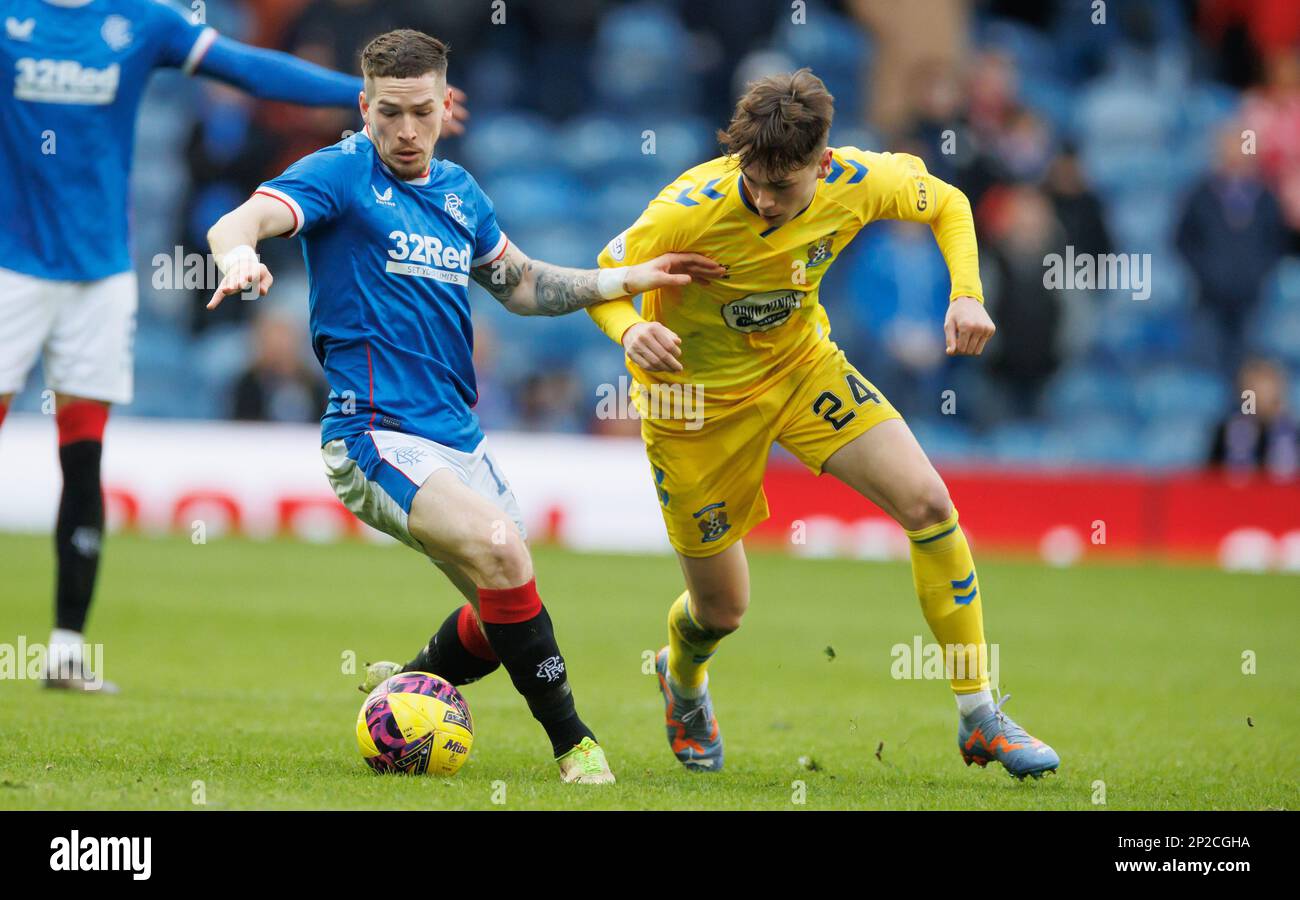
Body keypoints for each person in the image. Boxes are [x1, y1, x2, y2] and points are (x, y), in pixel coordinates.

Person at [205, 29, 722, 783]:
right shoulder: (339, 175)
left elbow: (521, 286)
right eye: (389, 113)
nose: (406, 131)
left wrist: (626, 279)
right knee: (503, 551)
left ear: (447, 105)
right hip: (373, 438)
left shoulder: (458, 193)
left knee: (503, 605)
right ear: (364, 107)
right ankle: (577, 747)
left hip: (461, 440)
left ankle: (405, 686)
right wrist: (237, 254)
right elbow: (238, 220)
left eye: (422, 112)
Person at [586, 69, 1059, 779]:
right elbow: (604, 278)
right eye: (757, 184)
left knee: (930, 503)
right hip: (692, 410)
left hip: (802, 372)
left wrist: (966, 294)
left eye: (786, 187)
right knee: (722, 611)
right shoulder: (686, 207)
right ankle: (681, 681)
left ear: (824, 163)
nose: (768, 203)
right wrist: (628, 333)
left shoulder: (859, 178)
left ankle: (980, 714)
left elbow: (950, 203)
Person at [0, 0, 458, 692]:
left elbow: (248, 69)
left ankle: (66, 651)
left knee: (84, 456)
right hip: (10, 270)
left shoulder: (140, 20)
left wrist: (367, 100)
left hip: (101, 275)